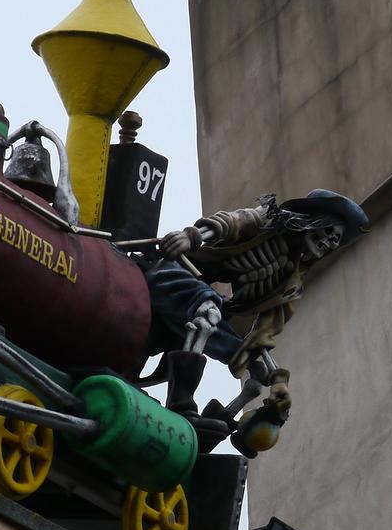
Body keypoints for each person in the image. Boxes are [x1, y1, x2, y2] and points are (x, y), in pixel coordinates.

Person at [138, 190, 367, 444]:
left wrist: (276, 380)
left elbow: (262, 335)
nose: (332, 242)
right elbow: (231, 223)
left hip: (199, 302)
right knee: (208, 312)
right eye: (330, 231)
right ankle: (181, 404)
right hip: (174, 272)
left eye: (337, 239)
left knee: (255, 366)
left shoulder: (290, 284)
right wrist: (191, 237)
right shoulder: (268, 221)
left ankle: (224, 420)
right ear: (313, 221)